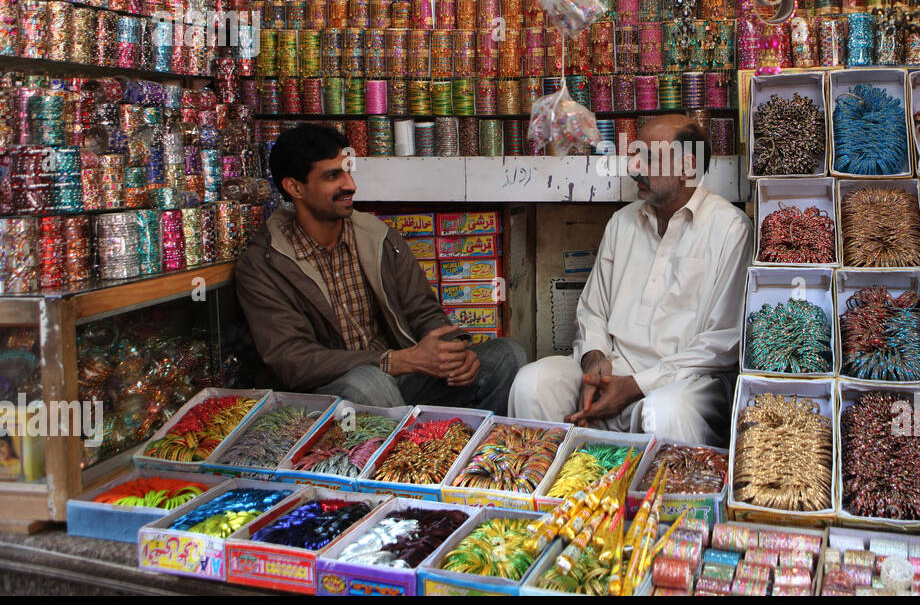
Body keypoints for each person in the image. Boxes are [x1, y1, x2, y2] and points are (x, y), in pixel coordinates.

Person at [235, 124, 524, 412]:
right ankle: (411, 455)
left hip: (400, 377)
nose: (350, 185)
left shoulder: (378, 238)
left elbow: (422, 309)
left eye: (348, 171)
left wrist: (454, 351)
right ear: (295, 187)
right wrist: (396, 361)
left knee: (506, 355)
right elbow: (294, 360)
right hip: (324, 394)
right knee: (368, 383)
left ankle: (477, 455)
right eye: (333, 176)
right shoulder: (264, 264)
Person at [509, 115, 752, 445]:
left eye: (649, 156)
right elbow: (593, 310)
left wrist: (637, 385)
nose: (634, 166)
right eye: (635, 153)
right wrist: (594, 358)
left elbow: (722, 342)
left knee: (663, 410)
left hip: (684, 380)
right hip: (614, 368)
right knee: (532, 382)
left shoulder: (730, 229)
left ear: (687, 165)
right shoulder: (622, 223)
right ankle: (550, 487)